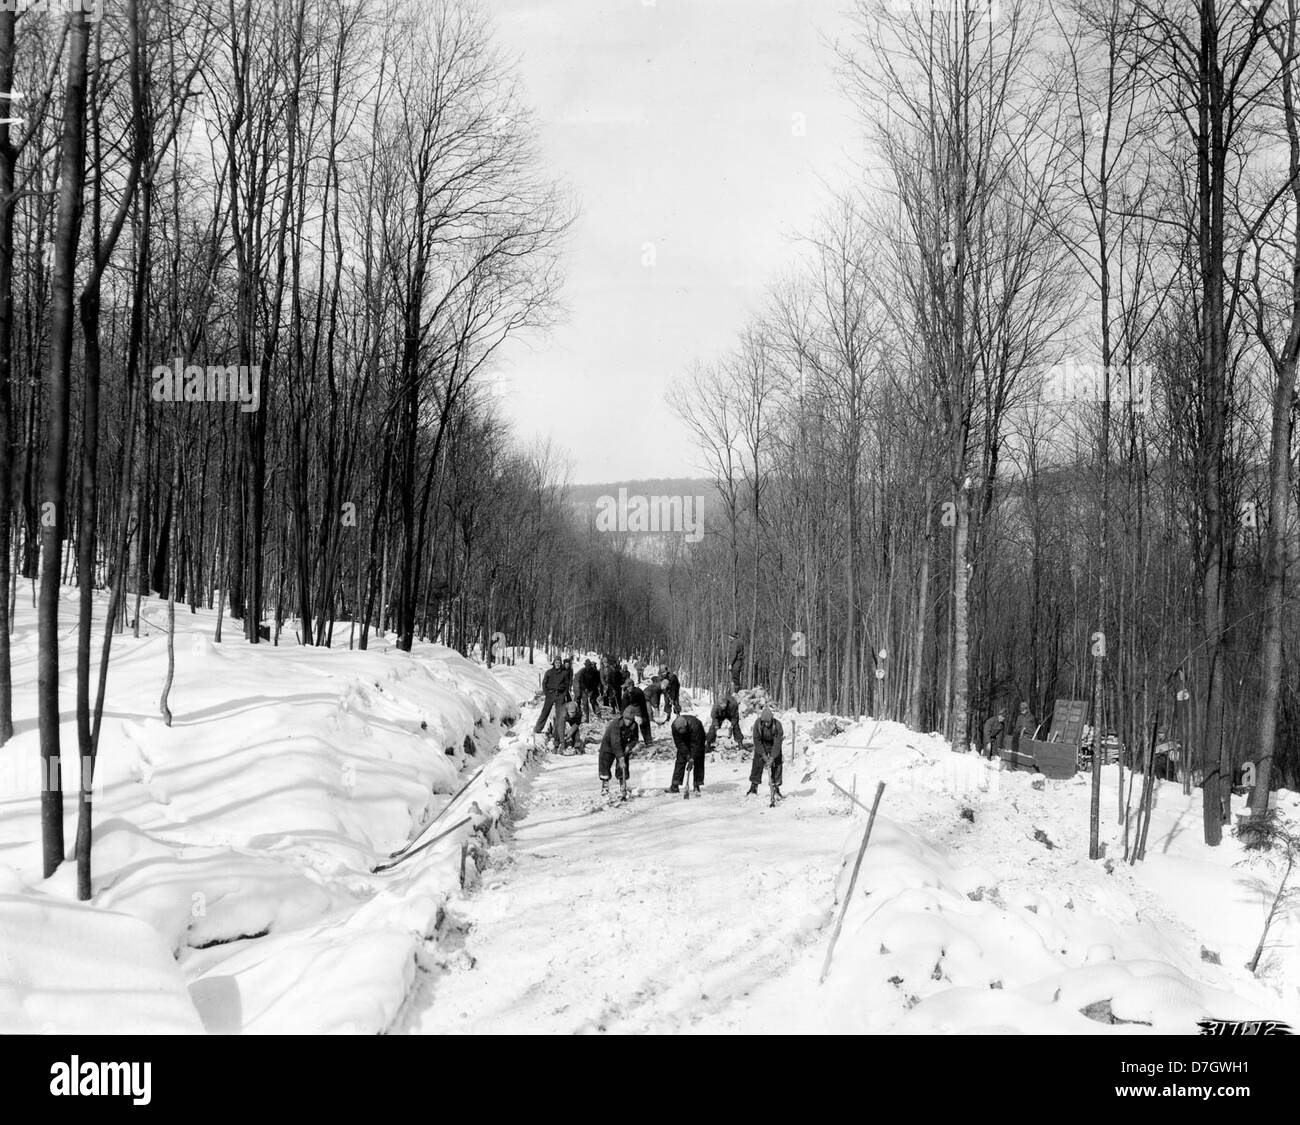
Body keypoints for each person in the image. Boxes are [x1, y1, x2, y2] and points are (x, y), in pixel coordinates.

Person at [598, 706, 641, 797]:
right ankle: (605, 787)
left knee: (623, 767)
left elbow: (635, 739)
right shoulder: (615, 724)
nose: (628, 721)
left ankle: (623, 784)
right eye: (626, 719)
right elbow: (615, 742)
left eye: (630, 719)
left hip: (623, 747)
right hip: (608, 746)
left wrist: (628, 747)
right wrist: (620, 757)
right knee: (604, 765)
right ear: (623, 717)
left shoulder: (634, 726)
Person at [748, 706, 784, 797]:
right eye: (765, 722)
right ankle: (754, 786)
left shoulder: (778, 725)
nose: (767, 724)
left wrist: (771, 758)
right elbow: (757, 740)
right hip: (762, 743)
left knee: (777, 763)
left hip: (773, 743)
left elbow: (777, 743)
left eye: (768, 721)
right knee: (757, 762)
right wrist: (764, 756)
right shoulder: (758, 724)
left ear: (772, 719)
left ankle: (775, 786)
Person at [668, 712, 707, 793]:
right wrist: (688, 756)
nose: (681, 731)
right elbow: (679, 743)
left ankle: (697, 785)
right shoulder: (674, 726)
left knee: (698, 759)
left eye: (683, 730)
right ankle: (675, 785)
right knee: (680, 760)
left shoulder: (695, 726)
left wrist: (692, 758)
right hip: (684, 741)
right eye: (680, 731)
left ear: (686, 726)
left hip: (698, 739)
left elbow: (696, 744)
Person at [534, 655, 571, 740]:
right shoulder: (549, 672)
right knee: (545, 712)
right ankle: (538, 728)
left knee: (559, 714)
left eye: (559, 663)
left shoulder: (564, 673)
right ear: (554, 663)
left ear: (560, 663)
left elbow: (567, 685)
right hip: (550, 694)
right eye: (556, 662)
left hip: (560, 695)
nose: (557, 664)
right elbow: (544, 683)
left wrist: (564, 694)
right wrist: (546, 693)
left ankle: (557, 733)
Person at [621, 678, 653, 746]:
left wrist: (641, 716)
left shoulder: (638, 692)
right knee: (630, 726)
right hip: (630, 712)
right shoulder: (626, 694)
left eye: (628, 687)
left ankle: (648, 741)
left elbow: (642, 705)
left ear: (632, 685)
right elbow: (624, 705)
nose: (627, 688)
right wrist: (622, 715)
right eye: (626, 687)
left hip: (640, 710)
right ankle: (631, 741)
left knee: (644, 723)